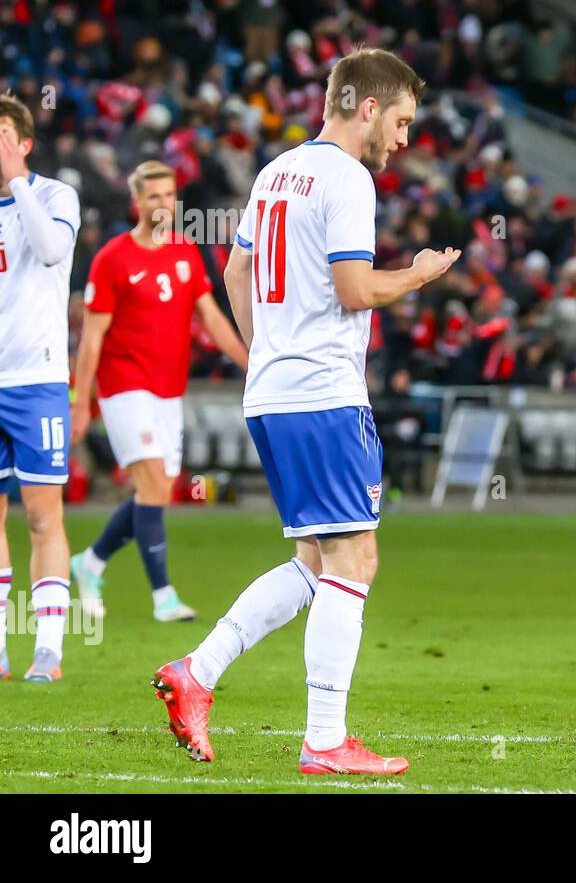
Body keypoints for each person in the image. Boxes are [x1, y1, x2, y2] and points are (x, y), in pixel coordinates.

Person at [151, 48, 461, 773]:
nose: (406, 140)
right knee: (355, 559)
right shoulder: (348, 178)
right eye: (403, 121)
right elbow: (355, 290)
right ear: (366, 107)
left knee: (317, 560)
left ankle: (196, 672)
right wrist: (415, 276)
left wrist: (265, 353)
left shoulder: (276, 171)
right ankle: (324, 740)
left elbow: (234, 269)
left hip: (276, 392)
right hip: (322, 393)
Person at [69, 160, 249, 622]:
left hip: (170, 389)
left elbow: (210, 317)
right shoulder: (112, 259)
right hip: (124, 386)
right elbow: (91, 340)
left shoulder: (187, 251)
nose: (163, 203)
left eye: (169, 195)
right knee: (151, 481)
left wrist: (252, 364)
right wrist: (80, 402)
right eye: (153, 196)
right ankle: (163, 595)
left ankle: (89, 563)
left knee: (159, 490)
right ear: (137, 201)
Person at [0, 92, 82, 683]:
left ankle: (48, 650)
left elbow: (52, 251)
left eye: (3, 135)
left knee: (40, 515)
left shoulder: (55, 195)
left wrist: (16, 182)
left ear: (24, 143)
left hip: (38, 381)